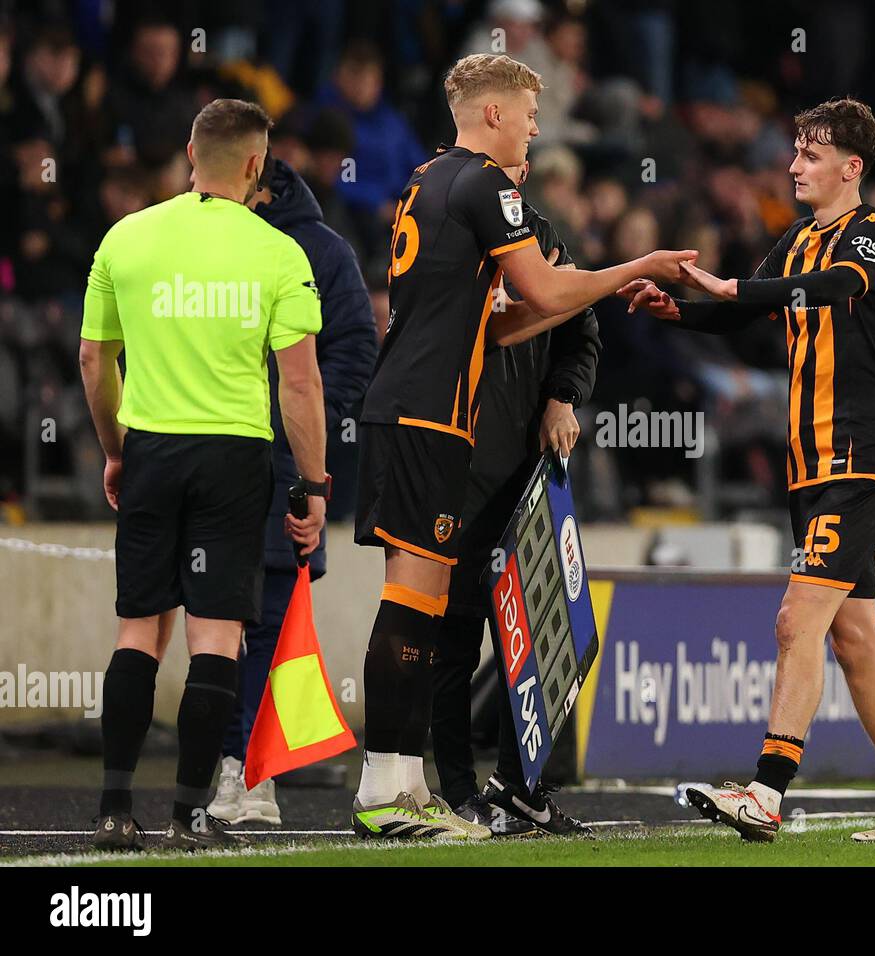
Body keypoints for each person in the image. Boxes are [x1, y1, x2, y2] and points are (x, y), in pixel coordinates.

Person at [349, 52, 695, 839]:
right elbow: (543, 289)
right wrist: (634, 266)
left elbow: (505, 321)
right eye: (530, 115)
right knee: (412, 603)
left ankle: (403, 786)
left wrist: (586, 295)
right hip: (428, 416)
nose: (538, 128)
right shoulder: (484, 183)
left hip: (416, 409)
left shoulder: (428, 180)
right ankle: (383, 790)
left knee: (427, 605)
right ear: (493, 114)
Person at [620, 97, 875, 844]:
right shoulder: (797, 239)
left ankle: (766, 794)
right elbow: (745, 310)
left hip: (857, 461)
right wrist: (677, 309)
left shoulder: (873, 236)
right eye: (795, 151)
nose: (795, 164)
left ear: (851, 168)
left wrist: (737, 290)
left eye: (811, 153)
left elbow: (830, 291)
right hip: (808, 470)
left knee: (796, 622)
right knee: (855, 643)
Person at [79, 99, 328, 851]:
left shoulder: (128, 236)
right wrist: (313, 485)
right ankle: (189, 817)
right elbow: (302, 385)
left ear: (191, 151)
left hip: (151, 448)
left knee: (137, 631)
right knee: (216, 637)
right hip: (234, 458)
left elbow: (95, 359)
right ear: (257, 165)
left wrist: (117, 448)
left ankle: (114, 812)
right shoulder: (280, 254)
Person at [428, 159, 599, 837]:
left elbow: (582, 332)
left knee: (534, 636)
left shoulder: (544, 235)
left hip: (528, 472)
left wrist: (562, 397)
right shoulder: (448, 241)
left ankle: (522, 785)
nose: (517, 175)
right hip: (459, 463)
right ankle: (458, 789)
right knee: (455, 634)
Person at [207, 153, 378, 826]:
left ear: (264, 187)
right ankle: (238, 772)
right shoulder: (219, 240)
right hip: (219, 457)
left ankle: (250, 776)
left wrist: (291, 425)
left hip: (276, 464)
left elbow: (354, 351)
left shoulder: (318, 252)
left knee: (266, 628)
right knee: (225, 623)